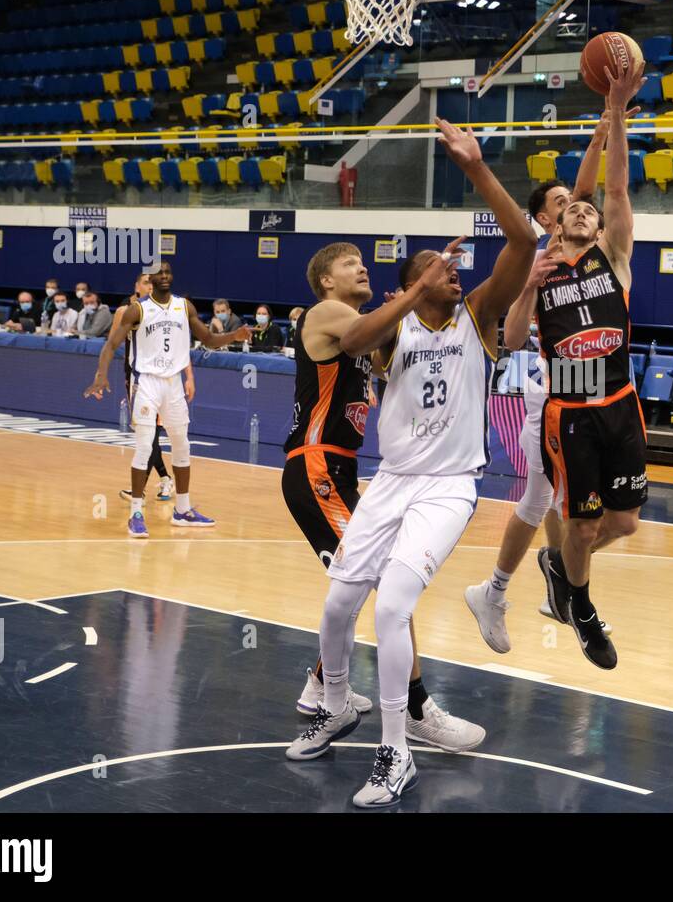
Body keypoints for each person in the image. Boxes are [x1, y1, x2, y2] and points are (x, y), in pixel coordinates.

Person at [287, 117, 535, 808]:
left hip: (448, 487)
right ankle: (336, 703)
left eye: (455, 269)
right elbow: (365, 327)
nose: (456, 275)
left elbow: (522, 241)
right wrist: (413, 285)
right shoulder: (387, 333)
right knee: (339, 605)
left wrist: (478, 169)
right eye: (441, 270)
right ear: (415, 283)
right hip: (390, 483)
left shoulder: (477, 316)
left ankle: (396, 753)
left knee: (391, 607)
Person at [283, 241, 484, 759]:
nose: (362, 267)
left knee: (362, 590)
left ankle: (325, 689)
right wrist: (414, 295)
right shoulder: (329, 311)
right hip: (317, 464)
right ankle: (413, 709)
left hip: (341, 470)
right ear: (326, 281)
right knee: (385, 589)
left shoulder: (376, 325)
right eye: (350, 264)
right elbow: (358, 338)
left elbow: (382, 355)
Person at [466, 110, 626, 654]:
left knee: (560, 507)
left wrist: (604, 133)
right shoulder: (541, 257)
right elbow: (510, 337)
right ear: (543, 219)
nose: (574, 201)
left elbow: (594, 190)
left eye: (576, 202)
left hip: (595, 392)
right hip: (554, 396)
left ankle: (535, 581)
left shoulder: (589, 248)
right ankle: (514, 588)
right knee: (545, 504)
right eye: (560, 202)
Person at [534, 55, 649, 671]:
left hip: (620, 403)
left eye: (589, 211)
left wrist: (615, 115)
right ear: (554, 222)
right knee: (579, 526)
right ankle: (581, 605)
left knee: (624, 523)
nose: (583, 210)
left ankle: (559, 568)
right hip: (571, 410)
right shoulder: (543, 264)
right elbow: (508, 330)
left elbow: (613, 188)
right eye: (570, 209)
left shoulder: (614, 255)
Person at [84, 261, 250, 536]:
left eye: (168, 272)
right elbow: (111, 344)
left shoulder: (184, 306)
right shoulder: (137, 309)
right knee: (144, 446)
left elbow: (208, 338)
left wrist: (235, 335)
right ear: (149, 279)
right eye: (159, 273)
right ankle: (136, 512)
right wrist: (101, 374)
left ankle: (183, 510)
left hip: (173, 384)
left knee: (182, 445)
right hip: (146, 382)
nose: (164, 276)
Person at [116, 274, 181, 505]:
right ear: (136, 286)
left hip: (162, 379)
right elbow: (113, 341)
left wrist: (189, 376)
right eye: (145, 282)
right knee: (147, 434)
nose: (149, 286)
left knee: (151, 434)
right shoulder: (126, 310)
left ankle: (144, 489)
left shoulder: (168, 310)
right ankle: (165, 479)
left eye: (152, 283)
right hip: (135, 378)